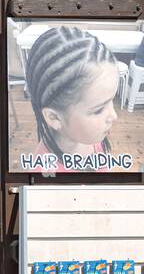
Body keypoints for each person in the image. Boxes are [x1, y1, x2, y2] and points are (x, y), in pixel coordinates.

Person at [24, 25, 120, 167]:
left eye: (111, 100)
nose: (114, 116)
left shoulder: (90, 136)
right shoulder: (45, 177)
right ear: (54, 117)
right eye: (99, 110)